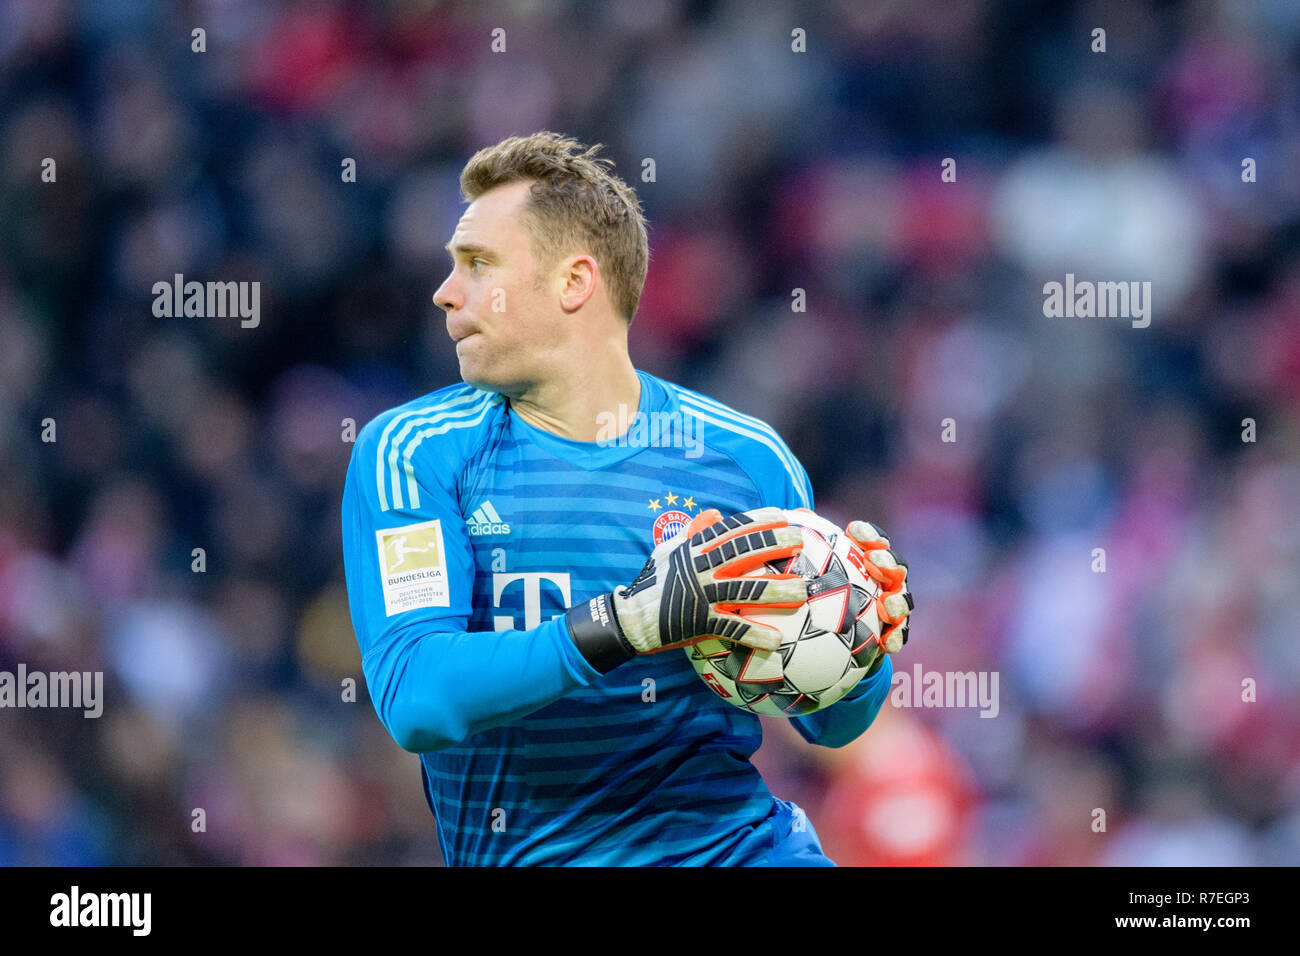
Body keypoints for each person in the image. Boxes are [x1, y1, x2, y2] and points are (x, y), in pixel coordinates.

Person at [340, 131, 913, 865]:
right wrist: (628, 623)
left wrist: (858, 639)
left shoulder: (745, 457)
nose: (446, 291)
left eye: (478, 265)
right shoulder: (415, 452)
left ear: (574, 283)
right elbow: (420, 699)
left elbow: (832, 727)